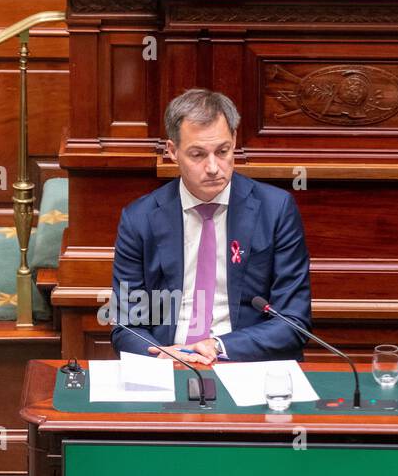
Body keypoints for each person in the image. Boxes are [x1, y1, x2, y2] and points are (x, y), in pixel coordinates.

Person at [109, 88, 312, 363]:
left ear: (234, 141)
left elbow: (292, 321)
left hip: (245, 362)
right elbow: (125, 324)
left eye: (223, 151)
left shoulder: (275, 210)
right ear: (172, 151)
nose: (214, 167)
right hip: (168, 363)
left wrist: (216, 346)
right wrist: (161, 353)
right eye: (198, 154)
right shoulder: (140, 219)